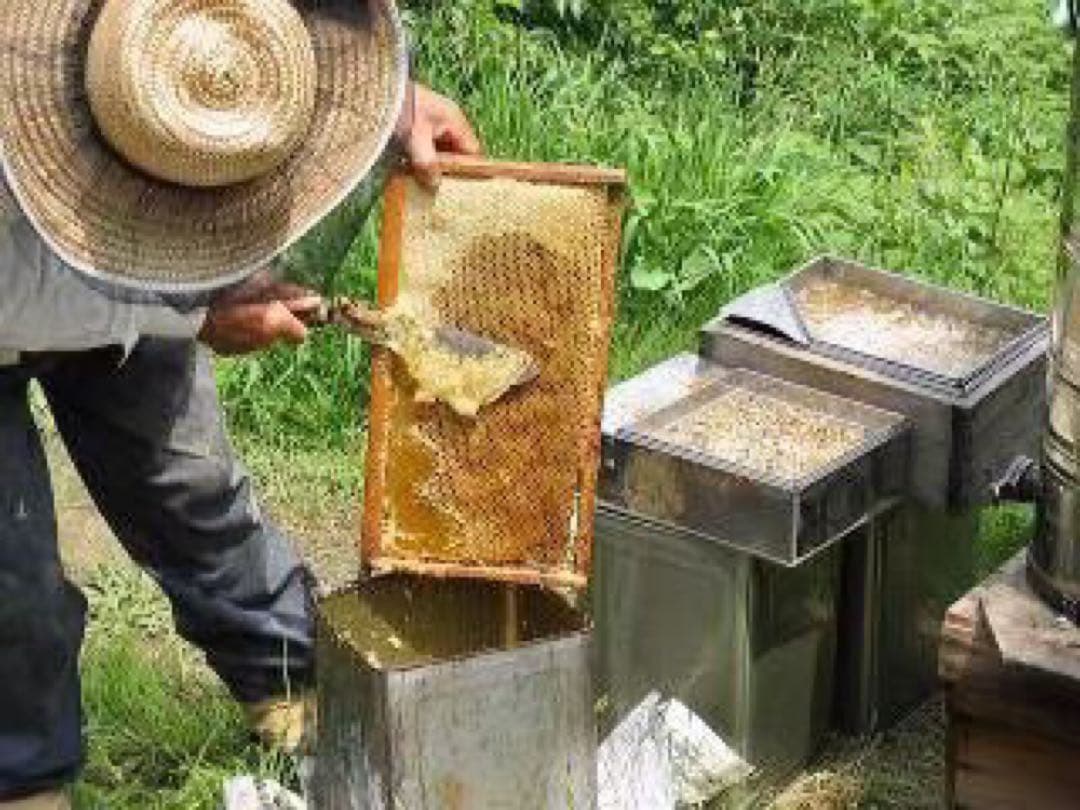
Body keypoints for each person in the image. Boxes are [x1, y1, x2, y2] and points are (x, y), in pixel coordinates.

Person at [0, 0, 480, 806]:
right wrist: (193, 314)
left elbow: (298, 23)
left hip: (136, 258)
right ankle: (22, 780)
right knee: (13, 590)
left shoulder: (178, 53)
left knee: (194, 490)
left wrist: (384, 102)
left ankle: (305, 701)